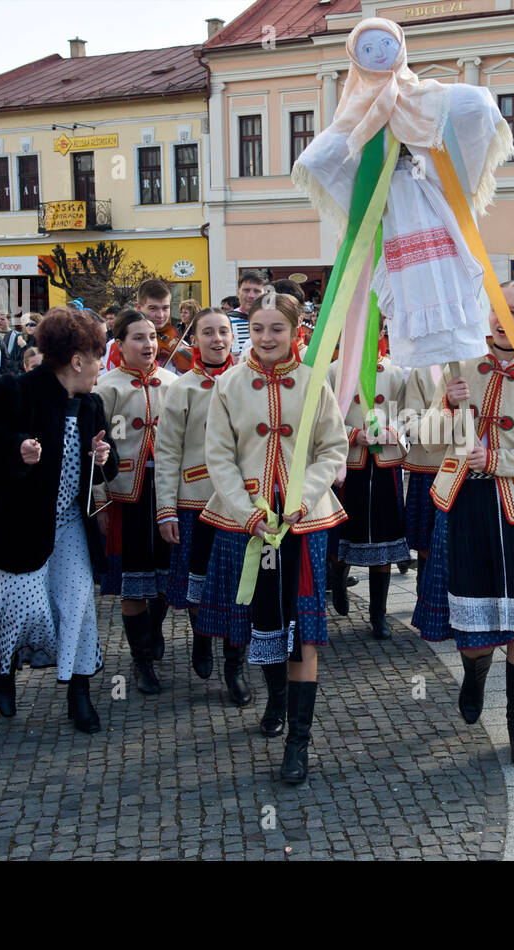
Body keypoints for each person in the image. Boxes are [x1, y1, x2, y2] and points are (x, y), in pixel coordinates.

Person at [0, 309, 116, 734]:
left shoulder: (91, 405)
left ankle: (79, 692)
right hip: (17, 525)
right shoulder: (16, 391)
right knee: (25, 609)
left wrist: (103, 458)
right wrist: (16, 449)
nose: (101, 367)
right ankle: (3, 668)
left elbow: (109, 464)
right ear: (78, 360)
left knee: (77, 604)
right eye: (97, 357)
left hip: (69, 523)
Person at [412, 280, 514, 768]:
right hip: (465, 505)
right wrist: (446, 407)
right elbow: (427, 439)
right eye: (499, 310)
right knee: (472, 610)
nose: (505, 320)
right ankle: (474, 672)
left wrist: (498, 458)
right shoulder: (461, 370)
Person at [198, 292, 349, 783]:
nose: (266, 338)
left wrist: (301, 498)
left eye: (276, 329)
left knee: (303, 630)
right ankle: (277, 701)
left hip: (304, 524)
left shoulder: (313, 382)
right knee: (264, 620)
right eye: (258, 328)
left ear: (295, 330)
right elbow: (219, 455)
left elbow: (332, 446)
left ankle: (297, 743)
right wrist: (247, 513)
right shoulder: (228, 385)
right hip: (250, 524)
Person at [153, 307, 241, 694]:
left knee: (242, 585)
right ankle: (202, 636)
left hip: (241, 504)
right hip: (195, 501)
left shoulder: (249, 382)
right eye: (208, 332)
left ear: (233, 337)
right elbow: (167, 452)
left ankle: (234, 667)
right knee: (197, 582)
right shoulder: (181, 387)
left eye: (223, 331)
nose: (217, 339)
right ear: (195, 340)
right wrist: (165, 509)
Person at [93, 308, 176, 695]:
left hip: (166, 496)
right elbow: (92, 450)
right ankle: (142, 662)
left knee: (161, 575)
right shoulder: (105, 388)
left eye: (153, 337)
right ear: (120, 344)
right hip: (125, 496)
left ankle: (154, 631)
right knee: (131, 582)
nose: (148, 344)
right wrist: (101, 501)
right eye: (138, 338)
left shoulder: (174, 383)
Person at [326, 328, 408, 641]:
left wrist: (393, 430)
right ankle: (338, 575)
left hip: (386, 463)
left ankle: (378, 614)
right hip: (350, 464)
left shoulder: (394, 371)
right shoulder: (335, 371)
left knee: (385, 537)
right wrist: (353, 435)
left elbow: (405, 411)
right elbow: (327, 415)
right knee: (346, 531)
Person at [401, 364, 443, 589]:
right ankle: (424, 594)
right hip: (428, 464)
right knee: (427, 539)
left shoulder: (476, 361)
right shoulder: (424, 369)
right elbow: (411, 419)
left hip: (468, 467)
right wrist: (451, 419)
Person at [138, 279, 193, 376]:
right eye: (153, 308)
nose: (160, 315)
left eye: (165, 308)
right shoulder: (120, 345)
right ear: (139, 308)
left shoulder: (179, 342)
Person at [227, 272, 265, 356]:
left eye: (257, 291)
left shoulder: (272, 318)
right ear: (238, 292)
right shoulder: (227, 320)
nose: (251, 295)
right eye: (246, 290)